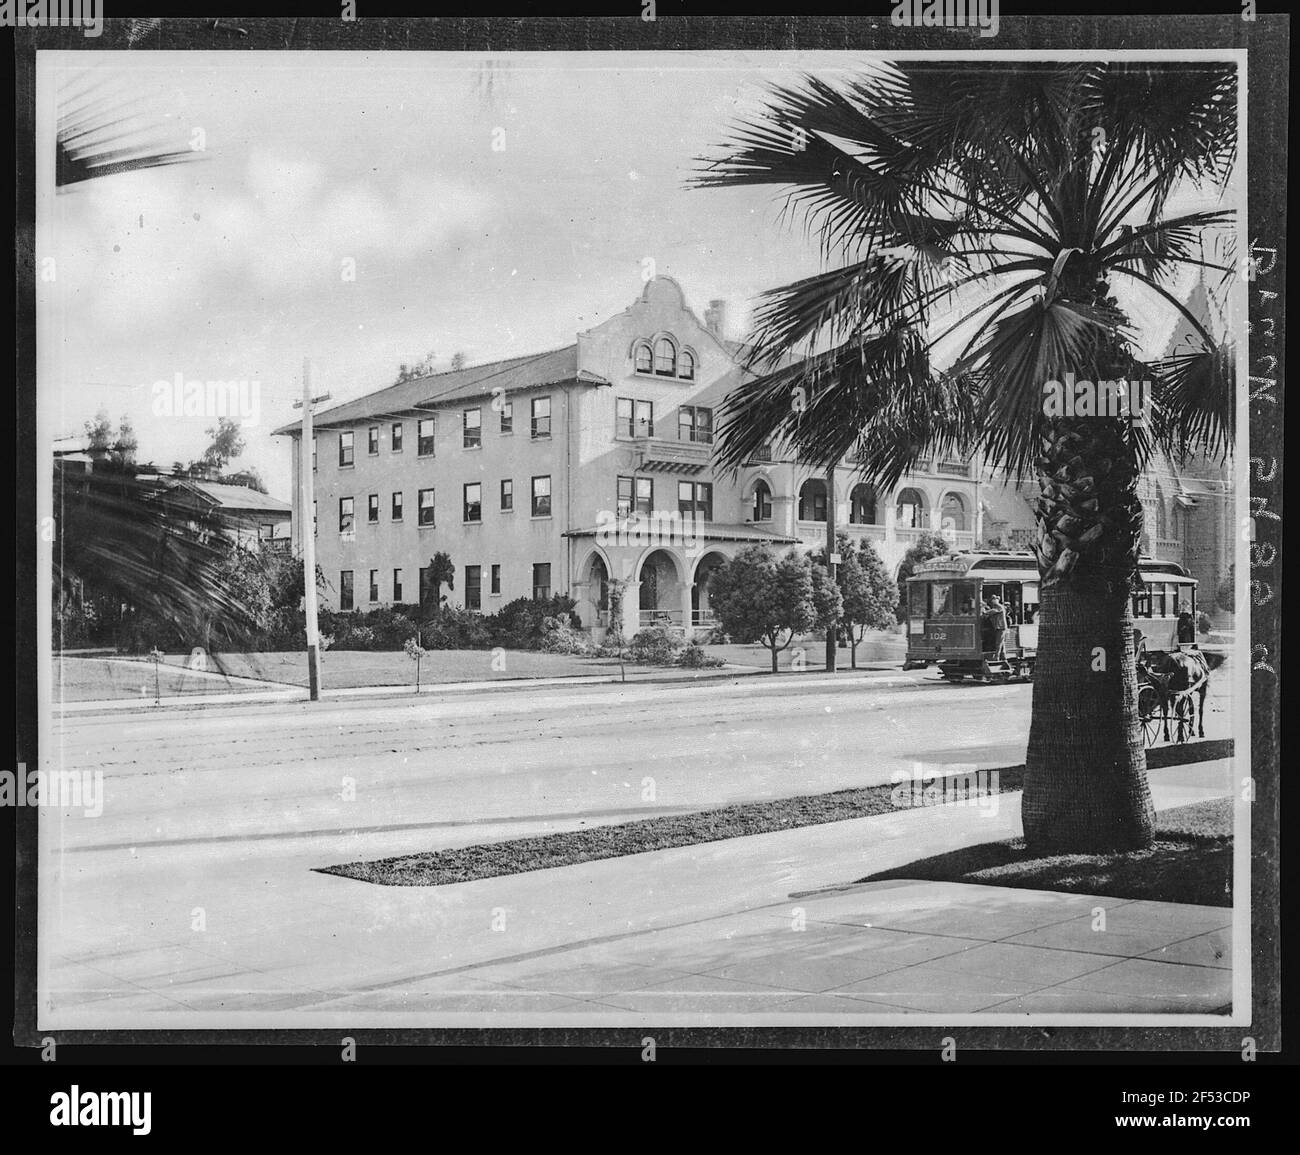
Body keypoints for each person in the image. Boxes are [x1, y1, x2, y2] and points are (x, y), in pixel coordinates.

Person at [985, 594, 1008, 660]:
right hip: (999, 627)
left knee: (998, 642)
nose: (993, 601)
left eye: (994, 600)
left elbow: (994, 611)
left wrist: (985, 612)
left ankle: (997, 657)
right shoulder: (996, 606)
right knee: (1001, 642)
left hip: (1001, 627)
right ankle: (1003, 656)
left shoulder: (999, 606)